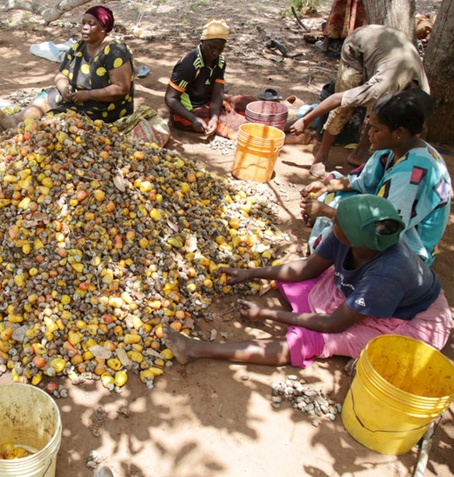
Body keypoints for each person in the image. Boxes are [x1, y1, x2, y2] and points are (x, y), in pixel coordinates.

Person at [163, 195, 451, 368]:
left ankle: (197, 349)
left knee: (307, 339)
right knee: (295, 283)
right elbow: (306, 269)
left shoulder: (388, 272)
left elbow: (332, 324)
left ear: (352, 237)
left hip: (410, 324)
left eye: (336, 221)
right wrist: (251, 272)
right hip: (367, 296)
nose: (331, 222)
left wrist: (265, 313)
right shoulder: (351, 239)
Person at [301, 90, 450, 265]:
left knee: (337, 236)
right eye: (369, 126)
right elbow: (363, 181)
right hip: (388, 214)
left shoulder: (410, 176)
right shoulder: (395, 148)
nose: (368, 133)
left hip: (406, 245)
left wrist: (327, 212)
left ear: (399, 132)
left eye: (376, 129)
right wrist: (327, 186)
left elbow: (384, 231)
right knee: (334, 188)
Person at [290, 25, 429, 178]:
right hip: (359, 44)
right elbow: (338, 99)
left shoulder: (422, 97)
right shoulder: (382, 88)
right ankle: (322, 154)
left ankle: (360, 152)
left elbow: (421, 132)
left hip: (389, 51)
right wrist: (305, 120)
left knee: (380, 110)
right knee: (346, 107)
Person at [0, 6, 134, 130]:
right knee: (46, 98)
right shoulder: (78, 47)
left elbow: (121, 88)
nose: (85, 27)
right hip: (77, 96)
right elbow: (61, 75)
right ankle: (15, 122)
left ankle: (24, 131)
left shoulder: (115, 51)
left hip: (105, 106)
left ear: (104, 28)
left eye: (91, 24)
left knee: (56, 121)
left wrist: (88, 95)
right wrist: (64, 89)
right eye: (83, 23)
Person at [164, 19, 255, 140]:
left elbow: (218, 93)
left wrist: (214, 117)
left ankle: (272, 125)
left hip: (207, 101)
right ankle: (268, 133)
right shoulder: (188, 65)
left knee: (249, 103)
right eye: (211, 47)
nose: (215, 52)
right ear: (202, 41)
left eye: (220, 49)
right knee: (236, 124)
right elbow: (170, 98)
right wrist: (193, 119)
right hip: (189, 111)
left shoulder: (220, 61)